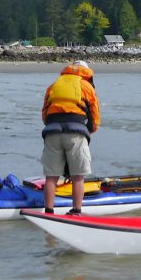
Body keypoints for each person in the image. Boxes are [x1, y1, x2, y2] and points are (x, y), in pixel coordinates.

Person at [40, 61, 100, 214]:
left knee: (51, 176)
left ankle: (48, 211)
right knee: (78, 176)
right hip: (75, 134)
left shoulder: (53, 86)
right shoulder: (87, 87)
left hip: (52, 132)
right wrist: (89, 131)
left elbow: (45, 115)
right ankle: (76, 211)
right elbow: (94, 117)